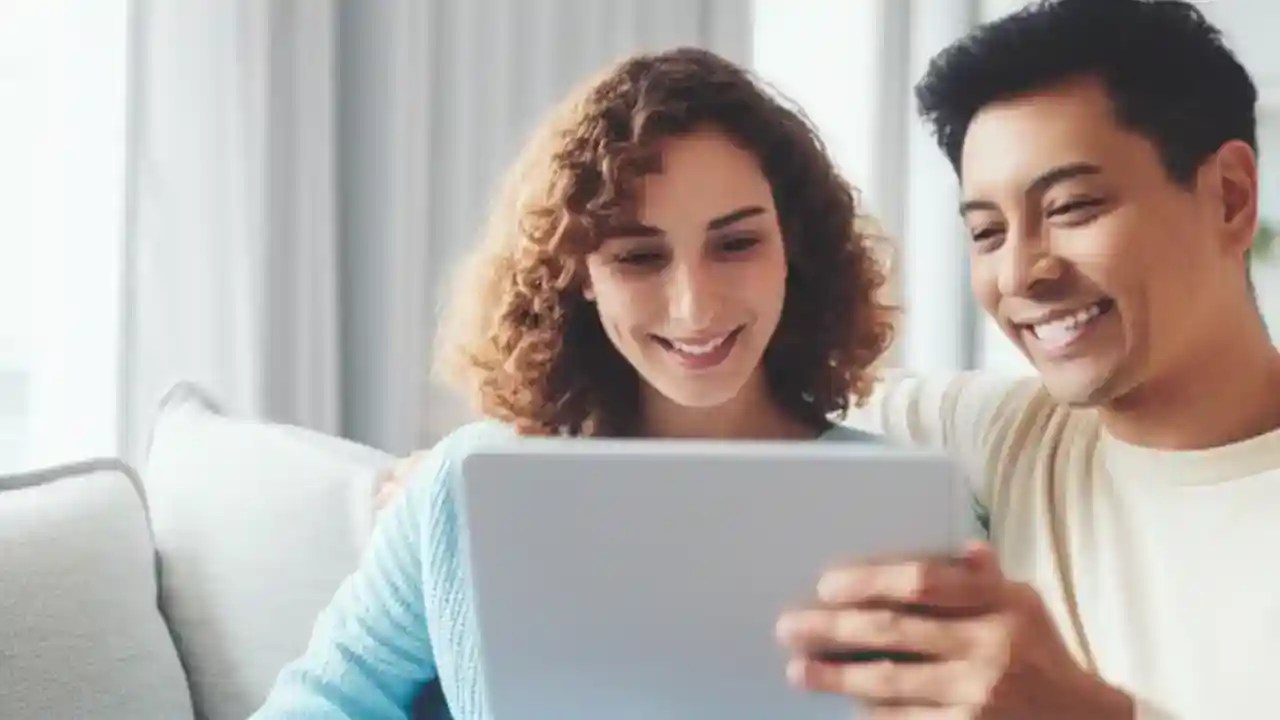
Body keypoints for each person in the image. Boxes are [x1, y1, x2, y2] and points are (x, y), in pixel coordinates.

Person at [253, 47, 894, 719]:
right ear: (580, 274)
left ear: (793, 245)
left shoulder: (890, 506)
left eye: (735, 245)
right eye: (639, 257)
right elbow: (322, 700)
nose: (694, 307)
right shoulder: (467, 485)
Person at [775, 1, 1280, 718]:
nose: (1019, 275)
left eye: (1072, 208)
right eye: (986, 232)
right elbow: (737, 382)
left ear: (1229, 198)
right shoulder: (990, 436)